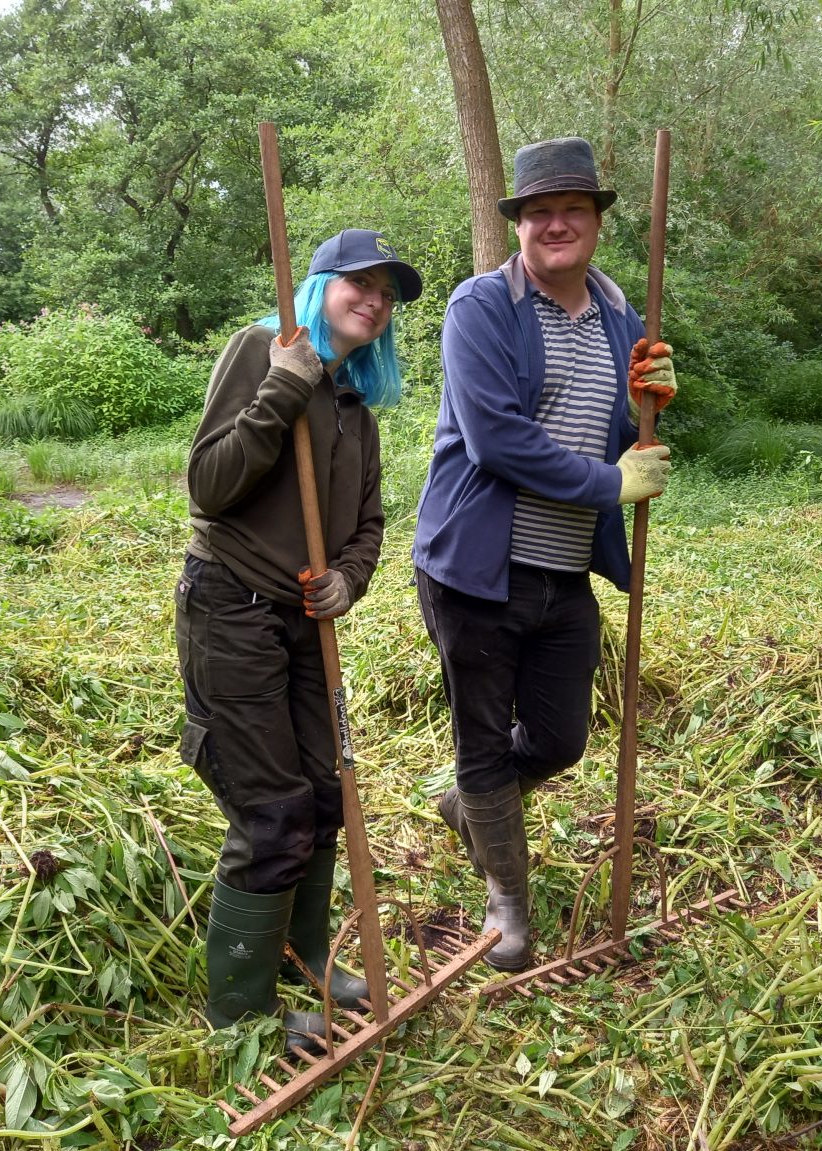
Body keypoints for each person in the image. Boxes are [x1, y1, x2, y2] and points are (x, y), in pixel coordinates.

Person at [413, 137, 678, 972]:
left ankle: (473, 807)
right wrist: (613, 485)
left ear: (597, 221)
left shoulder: (622, 318)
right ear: (518, 225)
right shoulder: (480, 308)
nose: (555, 223)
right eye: (538, 211)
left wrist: (653, 399)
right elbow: (497, 440)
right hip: (477, 570)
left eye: (572, 209)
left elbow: (620, 430)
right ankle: (507, 898)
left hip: (564, 570)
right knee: (485, 738)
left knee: (562, 738)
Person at [176, 229, 422, 1044]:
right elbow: (210, 489)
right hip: (232, 608)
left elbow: (370, 525)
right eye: (362, 282)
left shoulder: (357, 410)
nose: (377, 301)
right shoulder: (260, 351)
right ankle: (238, 1014)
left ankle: (305, 958)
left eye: (388, 294)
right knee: (273, 812)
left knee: (327, 797)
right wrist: (284, 389)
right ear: (318, 285)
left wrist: (347, 580)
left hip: (304, 621)